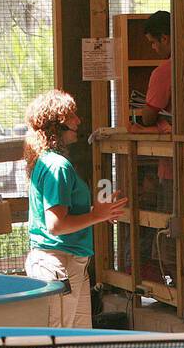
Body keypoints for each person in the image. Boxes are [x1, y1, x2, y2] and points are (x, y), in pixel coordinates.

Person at [22, 89, 127, 328]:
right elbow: (56, 225)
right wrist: (96, 214)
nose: (79, 121)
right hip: (57, 264)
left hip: (70, 264)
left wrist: (99, 212)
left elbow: (65, 214)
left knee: (77, 341)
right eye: (72, 115)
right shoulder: (57, 166)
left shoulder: (49, 162)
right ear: (57, 125)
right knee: (58, 341)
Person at [131, 10, 184, 277]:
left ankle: (179, 287)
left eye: (154, 43)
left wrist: (147, 118)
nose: (154, 48)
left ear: (166, 38)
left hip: (175, 164)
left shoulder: (165, 70)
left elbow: (148, 114)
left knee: (173, 227)